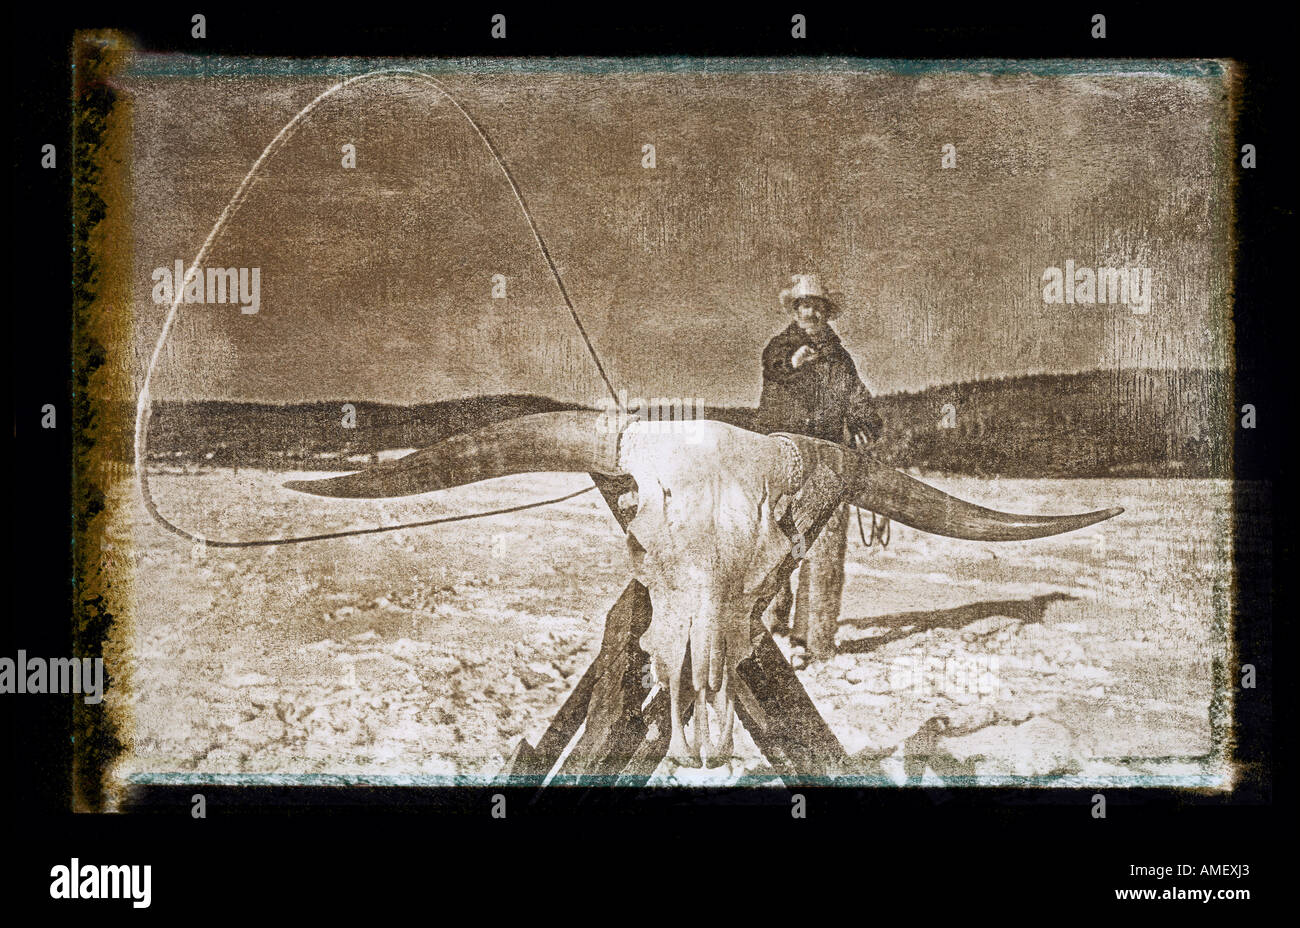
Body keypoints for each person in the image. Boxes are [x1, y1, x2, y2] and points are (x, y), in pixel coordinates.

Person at [755, 273, 884, 660]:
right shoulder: (780, 347)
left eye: (816, 306)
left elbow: (856, 396)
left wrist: (866, 424)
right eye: (803, 306)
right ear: (795, 310)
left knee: (824, 547)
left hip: (827, 460)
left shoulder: (840, 358)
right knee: (777, 542)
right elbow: (775, 367)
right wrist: (794, 363)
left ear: (826, 312)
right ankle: (766, 624)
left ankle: (814, 638)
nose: (810, 312)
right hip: (782, 455)